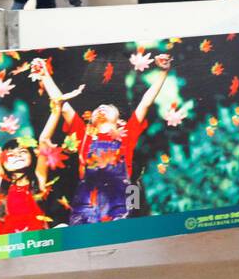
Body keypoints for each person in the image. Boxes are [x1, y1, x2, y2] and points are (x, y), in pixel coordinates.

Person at [32, 53, 171, 224]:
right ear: (90, 120)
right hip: (86, 206)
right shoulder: (84, 136)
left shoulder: (127, 135)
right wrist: (45, 75)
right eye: (97, 109)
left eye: (108, 107)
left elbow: (145, 103)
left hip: (119, 205)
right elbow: (64, 107)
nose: (101, 109)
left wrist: (163, 72)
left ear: (120, 121)